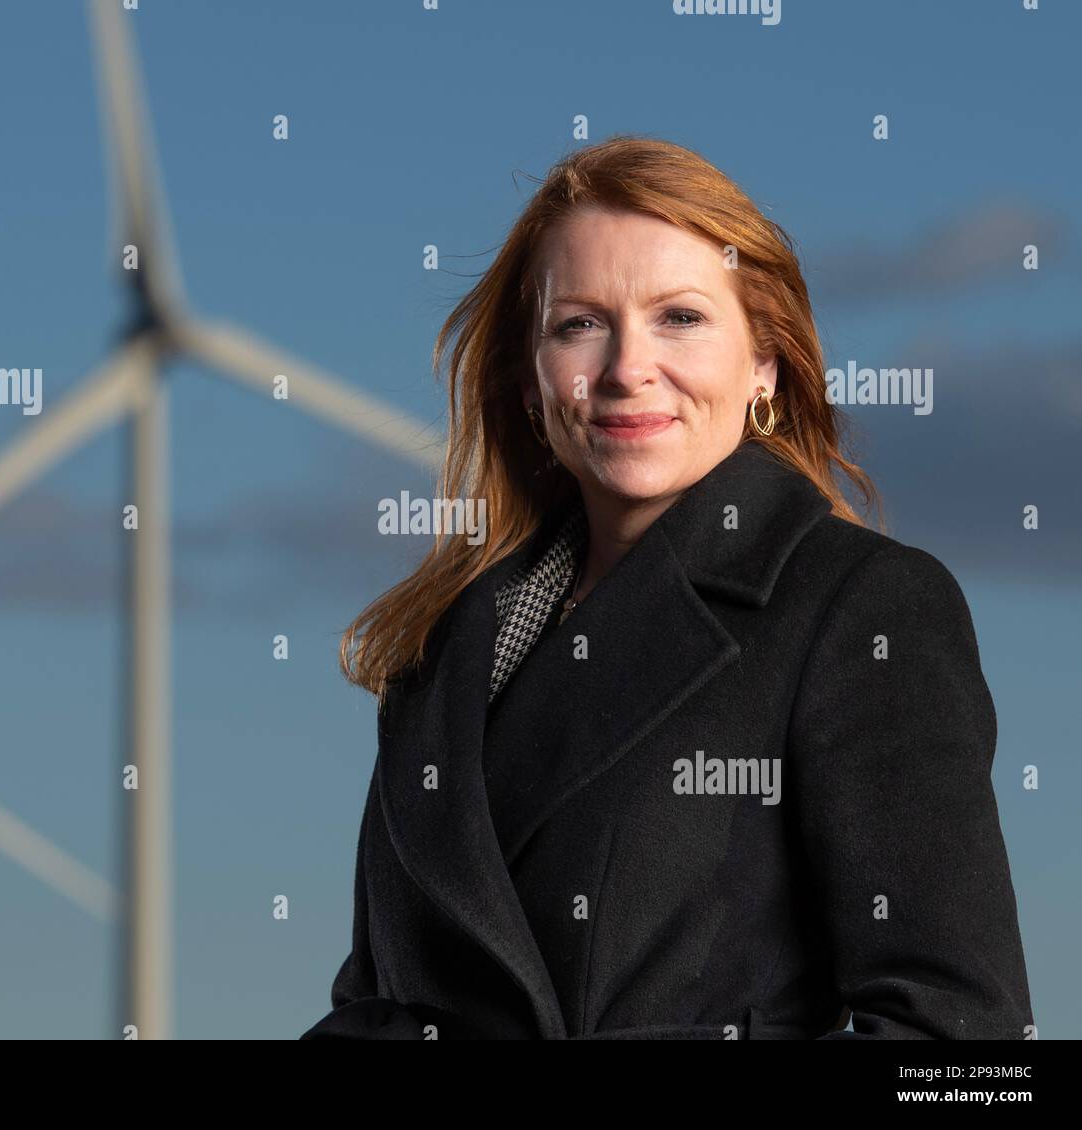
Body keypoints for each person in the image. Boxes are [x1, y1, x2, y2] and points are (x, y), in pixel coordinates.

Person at [300, 135, 1033, 1040]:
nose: (626, 369)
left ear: (764, 364)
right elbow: (372, 1003)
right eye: (579, 324)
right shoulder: (441, 648)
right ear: (532, 382)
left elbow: (962, 1049)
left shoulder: (862, 610)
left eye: (680, 317)